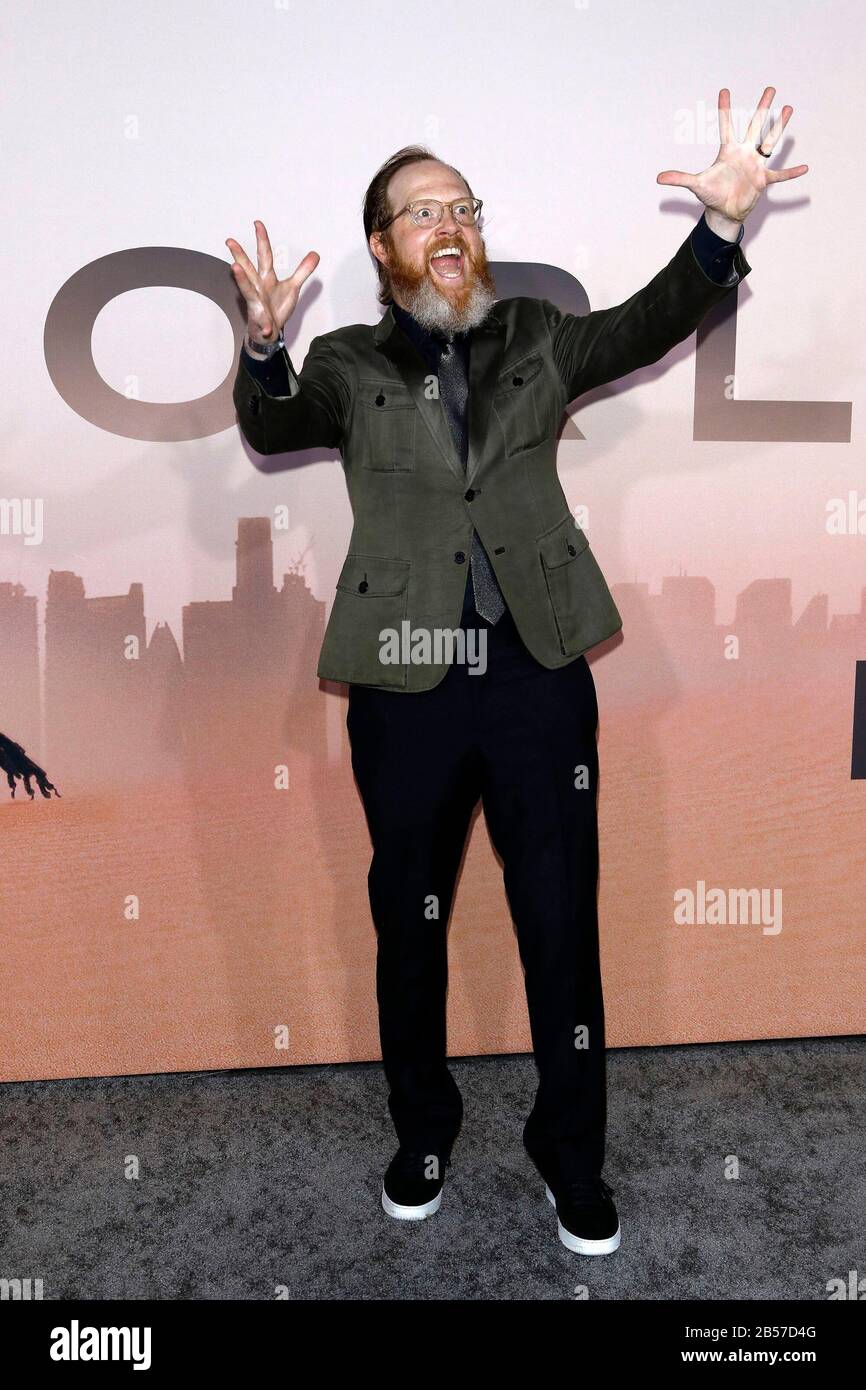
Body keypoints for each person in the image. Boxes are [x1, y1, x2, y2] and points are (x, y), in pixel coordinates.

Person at [227, 86, 806, 1255]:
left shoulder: (537, 332)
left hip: (538, 672)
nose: (448, 224)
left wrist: (721, 230)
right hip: (404, 681)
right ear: (384, 245)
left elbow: (646, 323)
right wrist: (260, 346)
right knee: (410, 921)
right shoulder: (342, 360)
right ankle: (423, 1131)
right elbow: (276, 420)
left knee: (558, 921)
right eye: (419, 210)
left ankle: (569, 1153)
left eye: (462, 206)